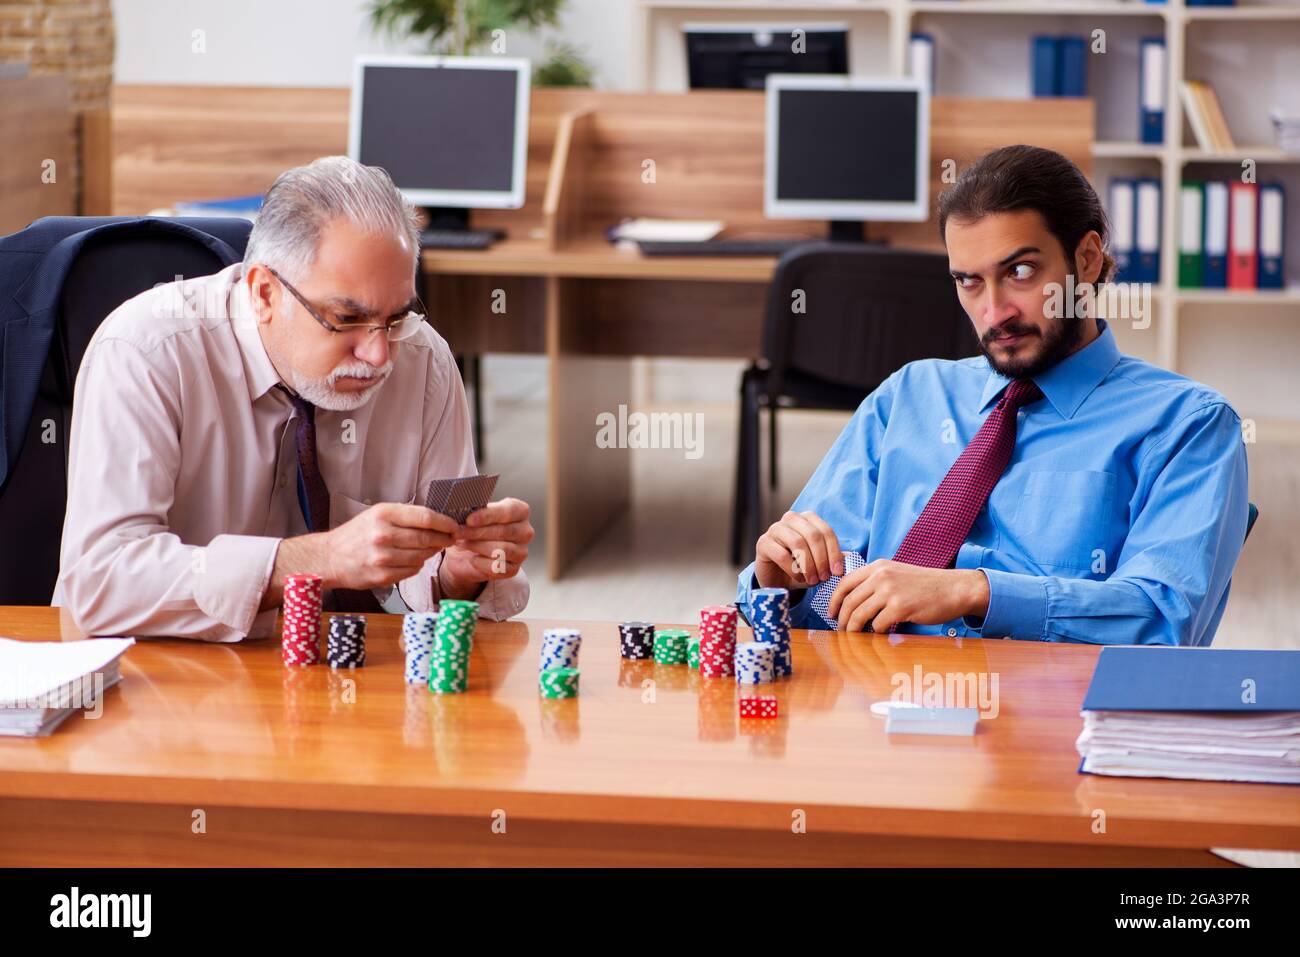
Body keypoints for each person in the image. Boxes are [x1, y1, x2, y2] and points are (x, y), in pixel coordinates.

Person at [737, 145, 1248, 645]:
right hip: (879, 709)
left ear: (1087, 260)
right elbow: (820, 597)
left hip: (1051, 718)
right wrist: (776, 582)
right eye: (969, 281)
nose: (994, 311)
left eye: (1020, 272)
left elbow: (1162, 619)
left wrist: (974, 592)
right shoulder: (908, 396)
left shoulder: (1189, 425)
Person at [56, 156, 533, 641]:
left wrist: (459, 575)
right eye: (346, 319)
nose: (378, 354)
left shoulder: (421, 356)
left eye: (395, 317)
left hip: (345, 682)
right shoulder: (147, 350)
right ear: (264, 293)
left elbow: (432, 585)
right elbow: (101, 581)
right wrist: (321, 560)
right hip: (161, 677)